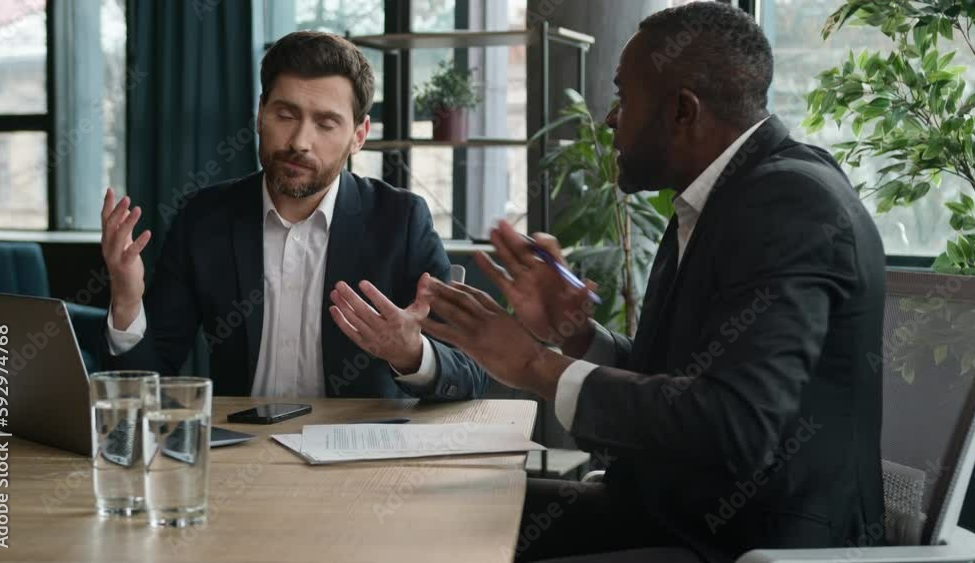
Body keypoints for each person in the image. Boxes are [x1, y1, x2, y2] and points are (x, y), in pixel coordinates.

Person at [418, 3, 885, 562]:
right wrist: (574, 335)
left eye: (624, 96)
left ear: (682, 111)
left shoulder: (788, 204)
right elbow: (679, 386)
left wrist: (533, 366)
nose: (610, 119)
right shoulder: (713, 200)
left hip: (749, 543)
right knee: (433, 516)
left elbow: (735, 427)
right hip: (675, 514)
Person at [99, 31, 487, 401]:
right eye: (286, 115)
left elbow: (469, 373)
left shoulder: (401, 220)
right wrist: (127, 301)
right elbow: (145, 384)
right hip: (239, 453)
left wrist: (411, 353)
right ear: (260, 115)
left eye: (326, 123)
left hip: (360, 456)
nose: (300, 142)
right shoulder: (204, 219)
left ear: (359, 134)